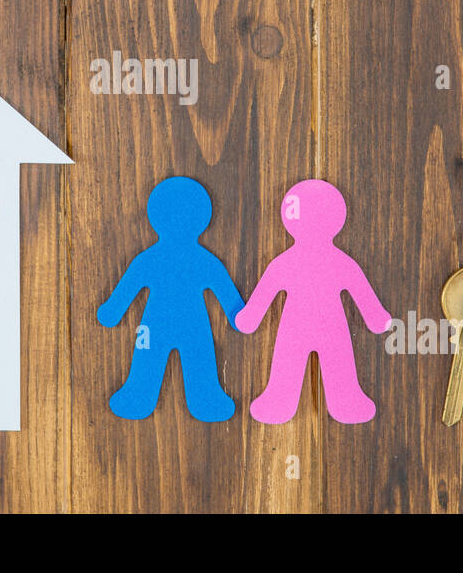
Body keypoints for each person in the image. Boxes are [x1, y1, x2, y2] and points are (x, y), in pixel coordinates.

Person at [236, 179, 391, 423]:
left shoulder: (290, 262)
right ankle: (279, 399)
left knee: (333, 361)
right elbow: (266, 290)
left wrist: (249, 318)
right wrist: (375, 317)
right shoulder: (334, 261)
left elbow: (361, 291)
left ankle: (346, 399)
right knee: (294, 361)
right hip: (315, 324)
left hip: (306, 324)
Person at [97, 176, 245, 421]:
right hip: (186, 321)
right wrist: (240, 316)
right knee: (174, 355)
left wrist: (112, 312)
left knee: (176, 355)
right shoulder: (201, 259)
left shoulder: (152, 258)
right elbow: (227, 293)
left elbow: (127, 288)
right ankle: (146, 393)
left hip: (160, 320)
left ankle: (201, 396)